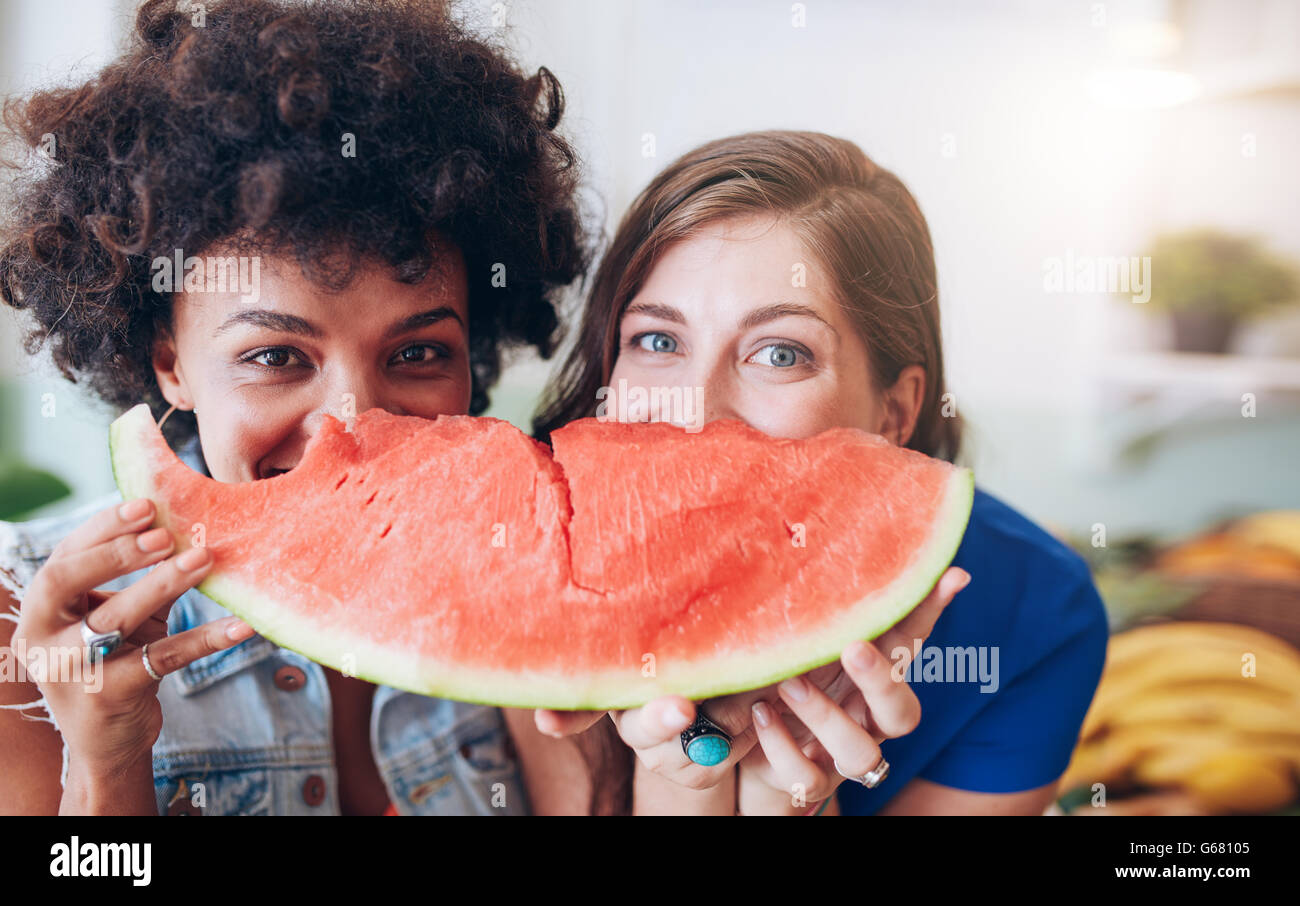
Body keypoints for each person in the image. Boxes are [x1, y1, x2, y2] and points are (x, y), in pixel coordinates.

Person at [0, 0, 589, 815]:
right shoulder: (22, 618)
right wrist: (105, 767)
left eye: (417, 353)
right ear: (169, 365)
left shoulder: (530, 584)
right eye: (276, 357)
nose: (350, 428)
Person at [527, 130, 1110, 815]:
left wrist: (789, 804)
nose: (695, 411)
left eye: (779, 353)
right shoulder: (534, 563)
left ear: (895, 410)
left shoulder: (1035, 612)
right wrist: (683, 788)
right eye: (658, 340)